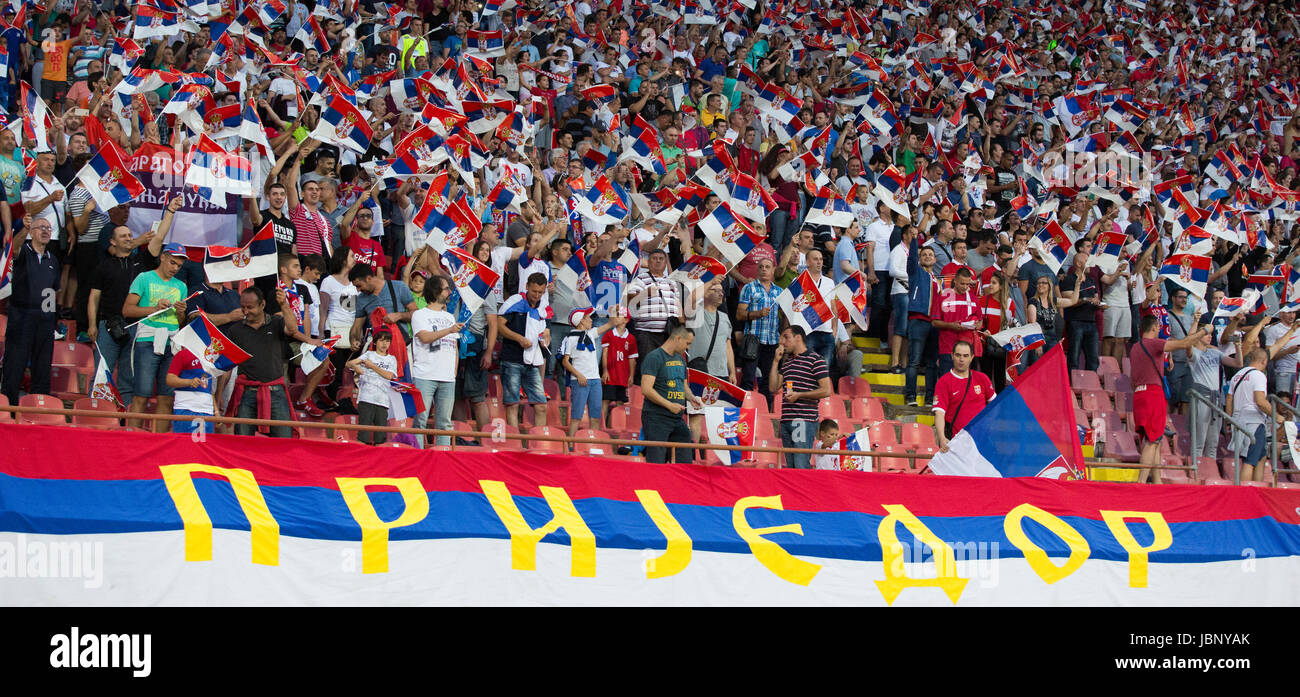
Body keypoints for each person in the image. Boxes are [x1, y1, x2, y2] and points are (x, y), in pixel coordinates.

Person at [224, 286, 321, 438]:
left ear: (262, 305)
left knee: (284, 439)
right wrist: (218, 399)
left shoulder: (276, 322)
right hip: (246, 393)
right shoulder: (235, 330)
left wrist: (283, 305)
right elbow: (227, 365)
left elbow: (292, 328)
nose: (246, 311)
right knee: (243, 440)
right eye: (243, 307)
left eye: (250, 307)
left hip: (276, 391)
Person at [1129, 315, 1205, 484]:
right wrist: (1204, 331)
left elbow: (1132, 379)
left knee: (1153, 439)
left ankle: (1157, 482)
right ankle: (1141, 482)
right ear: (1155, 328)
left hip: (1139, 395)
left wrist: (1194, 323)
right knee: (1152, 439)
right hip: (1152, 394)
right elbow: (1185, 343)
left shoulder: (1134, 348)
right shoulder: (1155, 344)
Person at [122, 242, 189, 432]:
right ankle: (133, 438)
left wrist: (181, 312)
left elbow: (180, 321)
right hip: (147, 340)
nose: (175, 268)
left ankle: (159, 442)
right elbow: (127, 310)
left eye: (179, 266)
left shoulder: (181, 286)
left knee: (166, 396)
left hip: (172, 342)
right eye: (172, 263)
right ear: (163, 257)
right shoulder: (144, 278)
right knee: (141, 395)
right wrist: (154, 308)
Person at [0, 215, 61, 405]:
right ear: (32, 232)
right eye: (41, 227)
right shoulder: (23, 251)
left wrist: (51, 320)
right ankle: (8, 411)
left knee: (42, 369)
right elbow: (14, 250)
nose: (45, 231)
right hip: (21, 318)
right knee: (14, 368)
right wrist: (23, 230)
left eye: (48, 228)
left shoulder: (53, 260)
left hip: (44, 321)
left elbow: (53, 290)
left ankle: (38, 411)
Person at [411, 275, 463, 447]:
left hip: (447, 377)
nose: (449, 292)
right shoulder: (419, 314)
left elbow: (454, 347)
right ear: (436, 291)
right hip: (425, 375)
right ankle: (417, 456)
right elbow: (425, 337)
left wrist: (453, 372)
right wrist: (448, 330)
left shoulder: (449, 317)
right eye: (446, 288)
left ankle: (443, 457)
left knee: (445, 423)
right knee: (420, 420)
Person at [769, 325, 832, 469]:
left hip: (804, 420)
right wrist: (775, 362)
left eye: (786, 337)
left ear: (798, 338)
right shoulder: (787, 362)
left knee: (800, 464)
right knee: (790, 466)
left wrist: (799, 395)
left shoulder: (816, 360)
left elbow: (826, 390)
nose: (782, 342)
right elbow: (773, 387)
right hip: (786, 419)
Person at [559, 306, 624, 441]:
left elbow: (610, 324)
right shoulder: (570, 338)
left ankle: (593, 443)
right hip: (580, 380)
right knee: (576, 416)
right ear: (581, 321)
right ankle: (570, 445)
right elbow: (565, 362)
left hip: (595, 380)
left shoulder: (591, 334)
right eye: (588, 318)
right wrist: (578, 375)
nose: (591, 320)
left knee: (595, 416)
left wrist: (613, 311)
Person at [639, 324, 700, 464]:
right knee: (656, 460)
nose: (688, 348)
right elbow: (646, 389)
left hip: (677, 418)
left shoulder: (680, 359)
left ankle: (681, 484)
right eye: (687, 343)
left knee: (685, 457)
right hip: (656, 417)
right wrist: (669, 405)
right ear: (678, 338)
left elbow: (684, 386)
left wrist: (691, 398)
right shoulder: (654, 357)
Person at [497, 273, 552, 428]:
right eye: (534, 291)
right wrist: (519, 338)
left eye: (540, 292)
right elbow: (500, 326)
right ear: (527, 286)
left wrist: (547, 336)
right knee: (513, 404)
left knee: (541, 405)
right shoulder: (514, 302)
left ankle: (539, 443)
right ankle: (514, 443)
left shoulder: (544, 308)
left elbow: (547, 335)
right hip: (512, 359)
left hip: (532, 362)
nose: (536, 295)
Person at [1226, 348, 1277, 483]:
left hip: (1238, 420)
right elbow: (1260, 401)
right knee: (1250, 460)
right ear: (1264, 361)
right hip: (1253, 421)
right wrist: (1276, 416)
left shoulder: (1237, 375)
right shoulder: (1259, 375)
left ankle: (1256, 489)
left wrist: (1229, 421)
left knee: (1261, 458)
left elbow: (1229, 399)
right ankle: (1244, 493)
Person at [933, 340, 994, 452]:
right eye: (958, 355)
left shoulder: (982, 378)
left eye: (966, 356)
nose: (961, 359)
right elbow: (939, 413)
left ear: (972, 357)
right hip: (957, 443)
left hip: (981, 442)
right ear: (952, 356)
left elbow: (995, 406)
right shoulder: (944, 382)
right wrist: (941, 437)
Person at [736, 257, 781, 405]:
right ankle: (745, 410)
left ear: (773, 270)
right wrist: (758, 313)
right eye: (761, 266)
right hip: (753, 339)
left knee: (768, 381)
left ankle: (765, 413)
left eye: (767, 267)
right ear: (757, 269)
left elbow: (786, 315)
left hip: (772, 340)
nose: (764, 269)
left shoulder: (779, 291)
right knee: (748, 377)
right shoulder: (749, 288)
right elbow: (739, 314)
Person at [347, 328, 399, 445]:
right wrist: (356, 368)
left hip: (382, 401)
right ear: (375, 342)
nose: (384, 344)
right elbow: (349, 363)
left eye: (387, 341)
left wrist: (372, 366)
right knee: (363, 435)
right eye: (381, 340)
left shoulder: (391, 359)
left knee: (380, 437)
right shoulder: (368, 355)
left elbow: (389, 375)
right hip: (366, 398)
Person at [165, 347, 215, 435]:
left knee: (204, 446)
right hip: (185, 408)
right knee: (183, 445)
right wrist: (189, 382)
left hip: (207, 411)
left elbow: (209, 389)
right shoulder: (182, 354)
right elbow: (170, 379)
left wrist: (216, 411)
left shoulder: (212, 358)